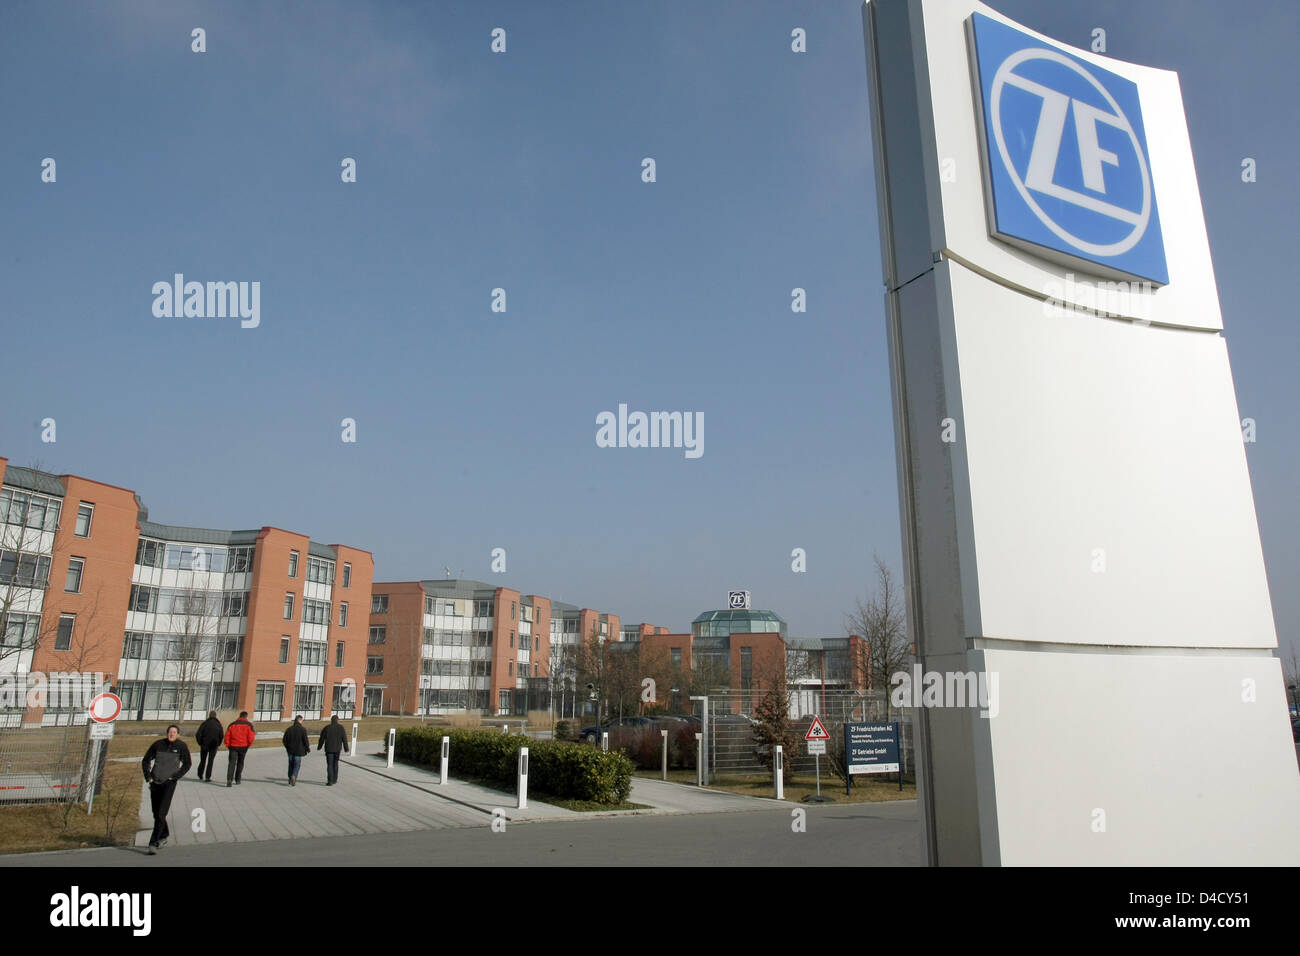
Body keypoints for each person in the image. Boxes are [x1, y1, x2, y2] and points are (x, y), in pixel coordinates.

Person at [141, 724, 191, 854]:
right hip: (155, 782)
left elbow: (187, 764)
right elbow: (146, 760)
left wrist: (175, 777)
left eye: (174, 732)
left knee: (161, 813)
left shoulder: (181, 746)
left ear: (178, 734)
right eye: (170, 732)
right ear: (167, 733)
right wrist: (149, 777)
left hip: (169, 784)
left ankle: (153, 843)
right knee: (156, 812)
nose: (172, 734)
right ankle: (164, 834)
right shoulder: (158, 745)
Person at [224, 710, 256, 786]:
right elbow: (251, 737)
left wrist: (228, 745)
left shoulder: (232, 724)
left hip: (233, 746)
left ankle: (229, 779)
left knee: (232, 763)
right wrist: (248, 745)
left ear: (239, 716)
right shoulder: (249, 725)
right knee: (240, 763)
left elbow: (227, 736)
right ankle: (238, 779)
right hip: (243, 747)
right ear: (246, 716)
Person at [316, 714, 350, 785]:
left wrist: (319, 747)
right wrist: (346, 748)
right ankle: (334, 779)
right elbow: (344, 738)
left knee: (329, 765)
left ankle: (330, 780)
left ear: (331, 720)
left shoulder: (327, 728)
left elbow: (322, 738)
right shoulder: (341, 728)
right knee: (335, 764)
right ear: (337, 720)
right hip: (337, 749)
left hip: (329, 749)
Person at [194, 710, 223, 782]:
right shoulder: (218, 724)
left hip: (204, 745)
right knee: (210, 761)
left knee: (203, 760)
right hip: (214, 745)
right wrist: (218, 743)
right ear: (215, 716)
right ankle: (208, 776)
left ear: (209, 716)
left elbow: (198, 734)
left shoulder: (204, 724)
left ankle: (200, 774)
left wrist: (200, 742)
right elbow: (221, 735)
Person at [282, 714, 310, 786]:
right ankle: (294, 776)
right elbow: (305, 740)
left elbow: (284, 740)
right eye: (302, 720)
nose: (302, 722)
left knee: (291, 765)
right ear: (299, 720)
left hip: (290, 750)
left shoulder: (289, 729)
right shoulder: (303, 730)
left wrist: (287, 747)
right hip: (299, 751)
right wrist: (307, 748)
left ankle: (289, 779)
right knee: (297, 765)